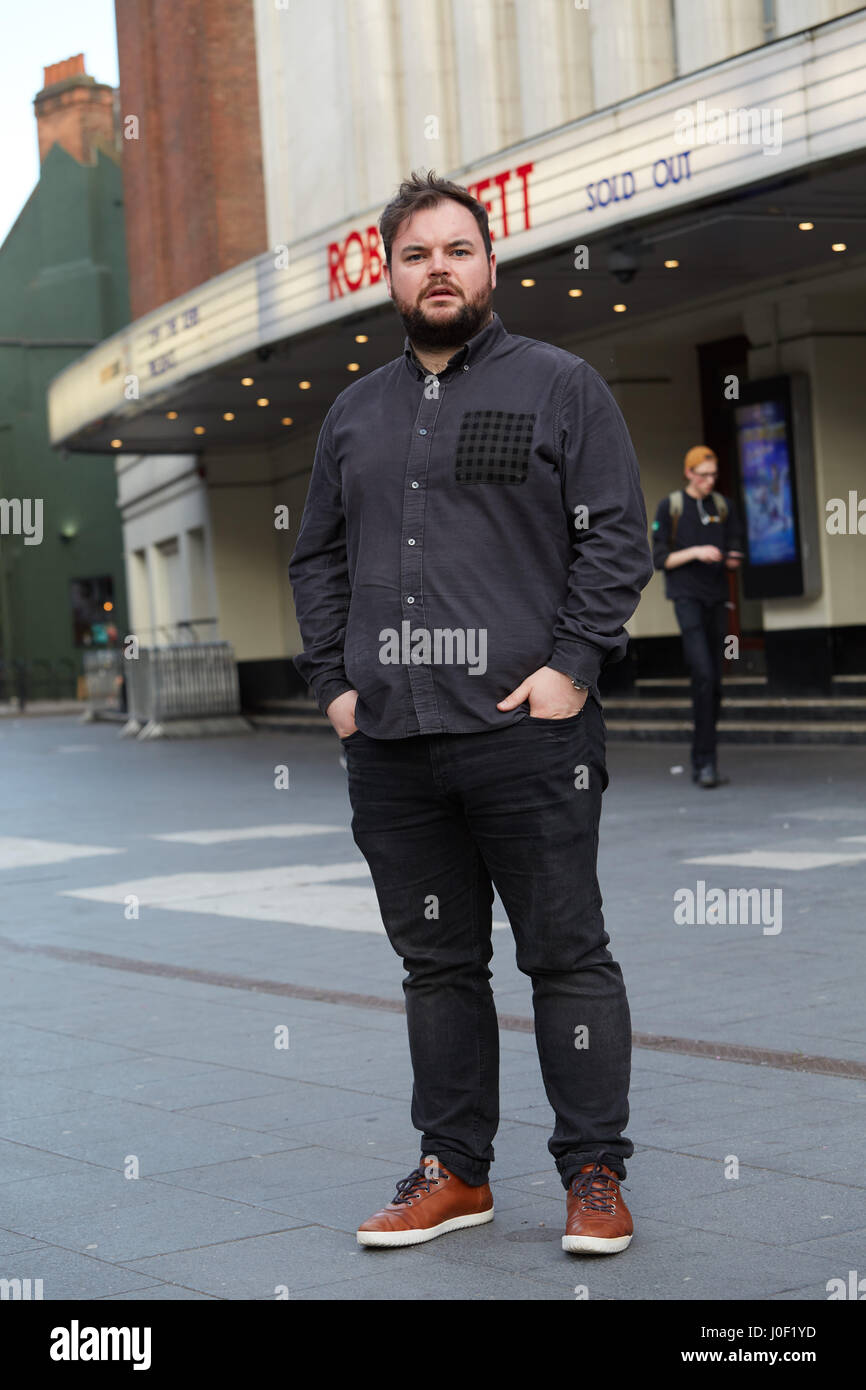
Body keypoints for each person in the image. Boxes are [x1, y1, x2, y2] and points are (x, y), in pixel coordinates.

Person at [289, 170, 653, 1256]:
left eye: (457, 250)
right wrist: (335, 688)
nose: (437, 269)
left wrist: (570, 668)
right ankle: (454, 1171)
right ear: (387, 276)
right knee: (437, 965)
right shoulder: (354, 413)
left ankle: (593, 1172)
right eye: (415, 254)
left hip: (527, 735)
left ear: (490, 266)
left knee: (565, 954)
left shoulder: (559, 385)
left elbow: (615, 538)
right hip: (393, 747)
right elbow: (315, 557)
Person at [651, 446, 744, 788]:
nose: (709, 481)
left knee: (714, 683)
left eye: (713, 475)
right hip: (686, 598)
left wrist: (730, 558)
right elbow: (659, 559)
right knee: (703, 674)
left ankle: (706, 758)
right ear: (688, 473)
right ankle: (703, 763)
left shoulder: (723, 506)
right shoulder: (671, 506)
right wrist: (696, 552)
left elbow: (736, 549)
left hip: (717, 599)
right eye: (703, 474)